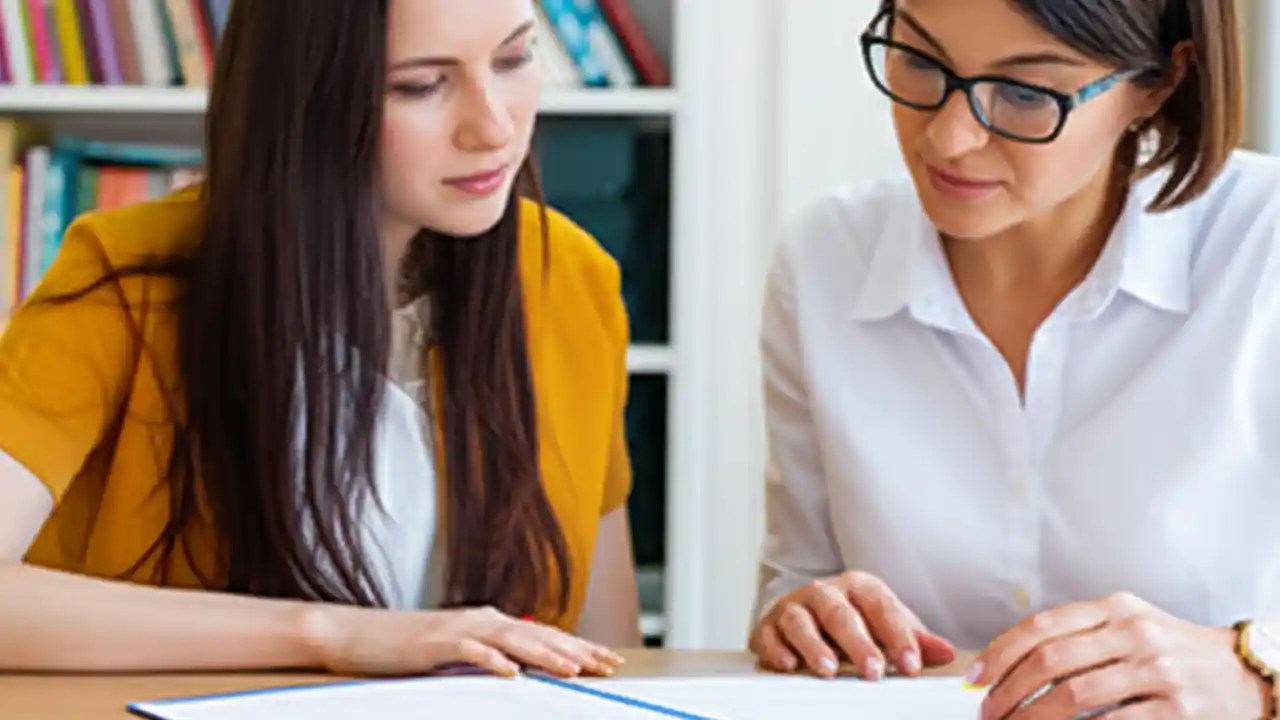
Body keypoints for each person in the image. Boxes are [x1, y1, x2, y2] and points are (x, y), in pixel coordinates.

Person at [0, 0, 641, 678]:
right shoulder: (128, 279)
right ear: (306, 95)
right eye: (420, 86)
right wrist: (325, 635)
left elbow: (606, 655)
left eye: (513, 60)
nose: (494, 126)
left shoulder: (571, 280)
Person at [750, 0, 1280, 716]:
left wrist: (1255, 672)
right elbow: (796, 581)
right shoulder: (823, 261)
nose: (951, 136)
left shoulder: (1263, 250)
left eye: (1027, 95)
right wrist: (803, 619)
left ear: (1160, 81)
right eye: (920, 61)